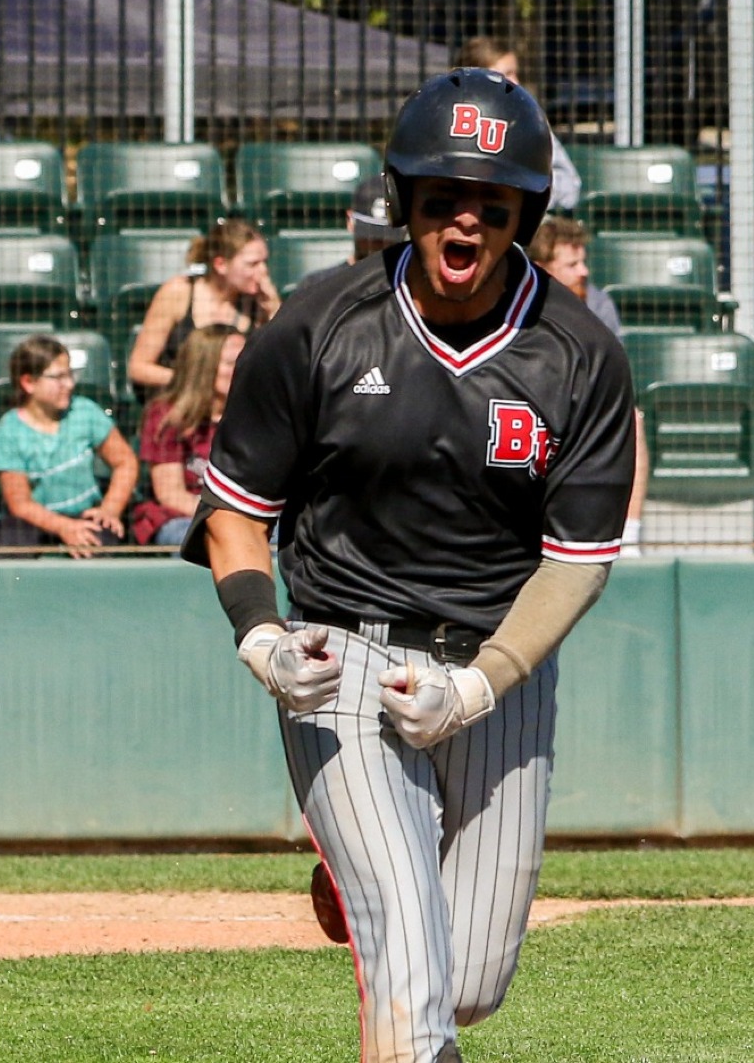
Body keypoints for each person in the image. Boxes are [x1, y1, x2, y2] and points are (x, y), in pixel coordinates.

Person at [182, 68, 634, 1062]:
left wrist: (475, 689)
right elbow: (236, 511)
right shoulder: (318, 325)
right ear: (405, 201)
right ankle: (372, 873)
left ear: (524, 214)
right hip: (341, 656)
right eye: (441, 196)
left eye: (491, 201)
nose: (464, 218)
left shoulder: (578, 354)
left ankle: (358, 879)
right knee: (411, 968)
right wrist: (260, 637)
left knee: (468, 983)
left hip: (497, 667)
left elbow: (575, 563)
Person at [528, 216, 648, 552]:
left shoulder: (597, 303)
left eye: (583, 261)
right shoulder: (517, 303)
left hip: (582, 407)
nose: (583, 271)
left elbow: (611, 377)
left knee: (633, 421)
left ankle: (629, 538)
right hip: (529, 408)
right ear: (543, 268)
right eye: (572, 264)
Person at [0, 334, 138, 555]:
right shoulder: (7, 432)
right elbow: (20, 504)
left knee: (98, 544)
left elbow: (125, 462)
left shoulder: (85, 412)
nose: (69, 384)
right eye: (58, 377)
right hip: (30, 521)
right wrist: (63, 527)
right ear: (29, 383)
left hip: (83, 514)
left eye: (70, 375)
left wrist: (110, 509)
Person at [125, 218, 279, 392]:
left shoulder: (258, 304)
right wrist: (196, 382)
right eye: (253, 264)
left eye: (264, 262)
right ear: (221, 265)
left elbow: (278, 367)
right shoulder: (178, 292)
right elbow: (138, 368)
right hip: (181, 401)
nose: (263, 271)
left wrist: (275, 311)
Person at [130, 325, 245, 548]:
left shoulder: (257, 412)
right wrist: (229, 518)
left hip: (246, 514)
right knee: (200, 541)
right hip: (186, 516)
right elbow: (171, 494)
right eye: (232, 363)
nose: (242, 369)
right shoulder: (167, 416)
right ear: (204, 367)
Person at [457, 36, 582, 213]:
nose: (515, 82)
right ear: (477, 77)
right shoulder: (447, 118)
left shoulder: (529, 120)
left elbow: (570, 186)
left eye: (515, 73)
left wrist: (522, 194)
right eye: (506, 74)